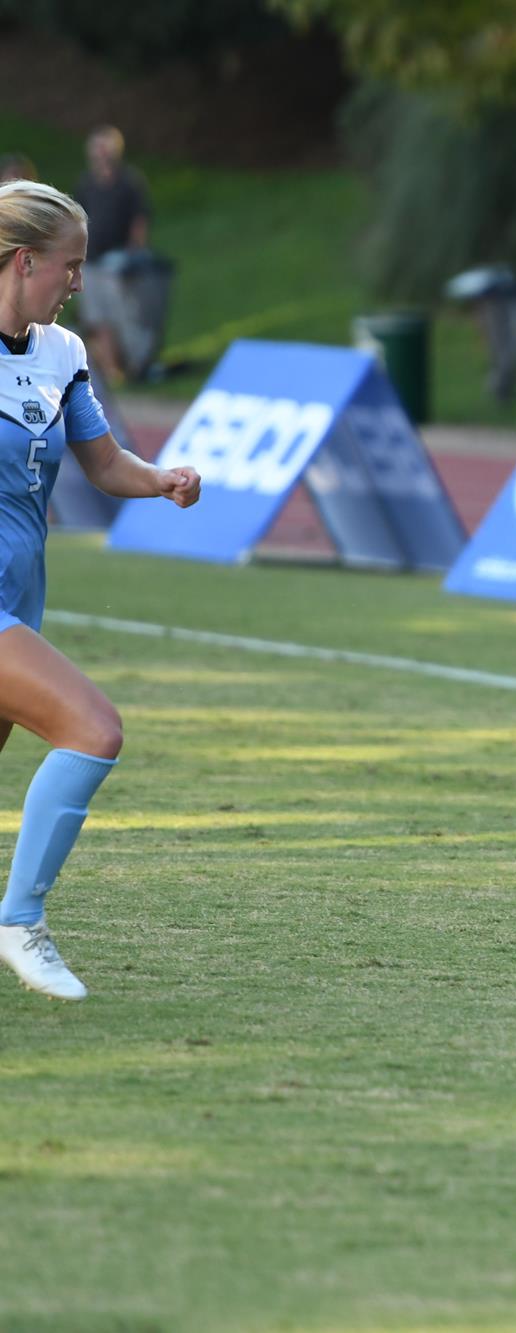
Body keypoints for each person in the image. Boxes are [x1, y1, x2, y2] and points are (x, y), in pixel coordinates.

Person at [0, 181, 201, 1001]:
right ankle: (22, 921)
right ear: (23, 261)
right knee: (93, 728)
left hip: (21, 599)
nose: (78, 282)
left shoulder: (63, 354)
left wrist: (163, 481)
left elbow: (104, 462)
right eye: (69, 266)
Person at [71, 127, 150, 387]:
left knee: (124, 316)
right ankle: (110, 370)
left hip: (118, 262)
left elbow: (139, 220)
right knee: (98, 318)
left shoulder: (129, 182)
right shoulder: (87, 183)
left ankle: (135, 366)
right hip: (92, 260)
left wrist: (134, 253)